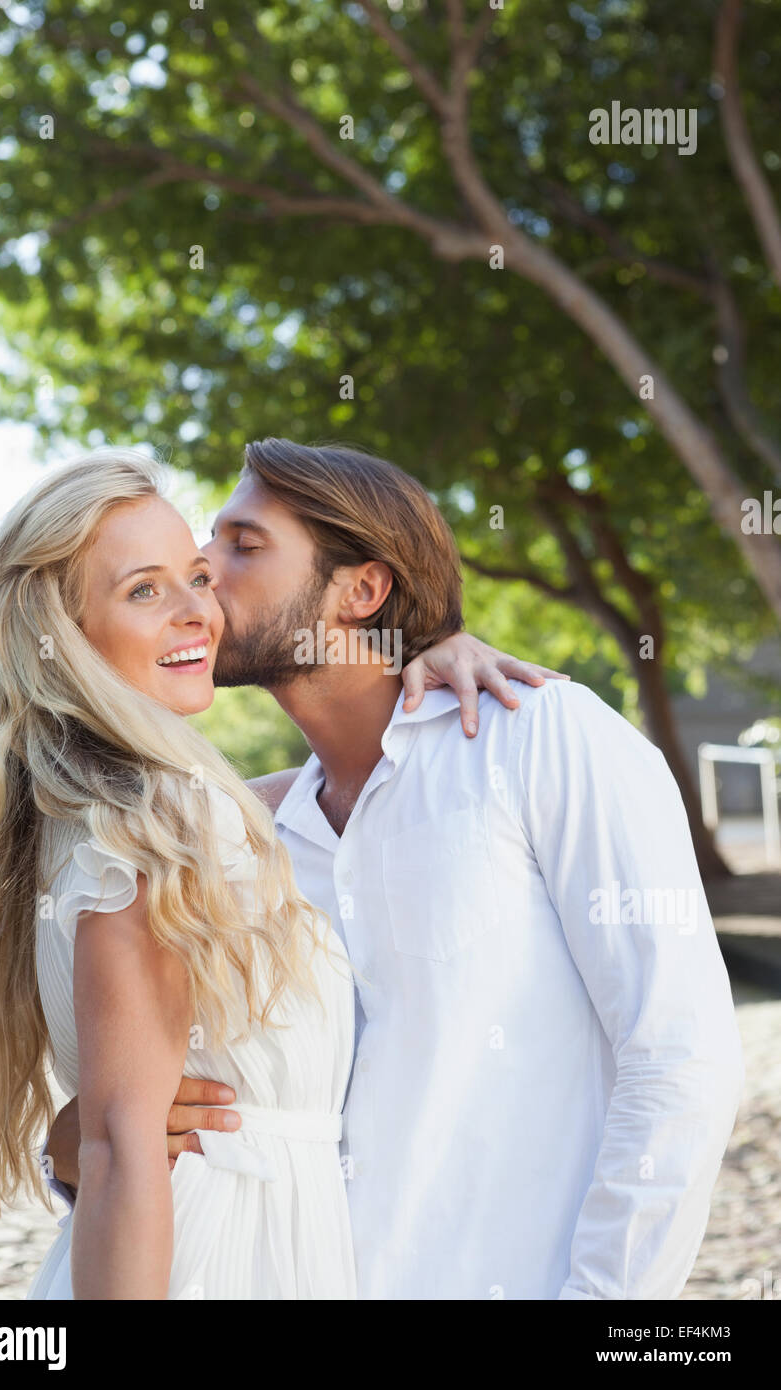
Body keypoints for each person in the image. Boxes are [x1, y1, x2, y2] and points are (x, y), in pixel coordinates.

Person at [47, 437, 746, 1300]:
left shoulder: (539, 737)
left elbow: (679, 1056)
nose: (203, 578)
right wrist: (85, 1145)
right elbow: (180, 1114)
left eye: (241, 545)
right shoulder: (244, 837)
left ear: (362, 590)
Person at [0, 446, 551, 1301]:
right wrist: (87, 1147)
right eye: (142, 590)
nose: (199, 607)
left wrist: (424, 649)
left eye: (195, 574)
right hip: (218, 1262)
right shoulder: (159, 816)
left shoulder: (131, 806)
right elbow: (119, 1150)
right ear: (60, 634)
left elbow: (341, 784)